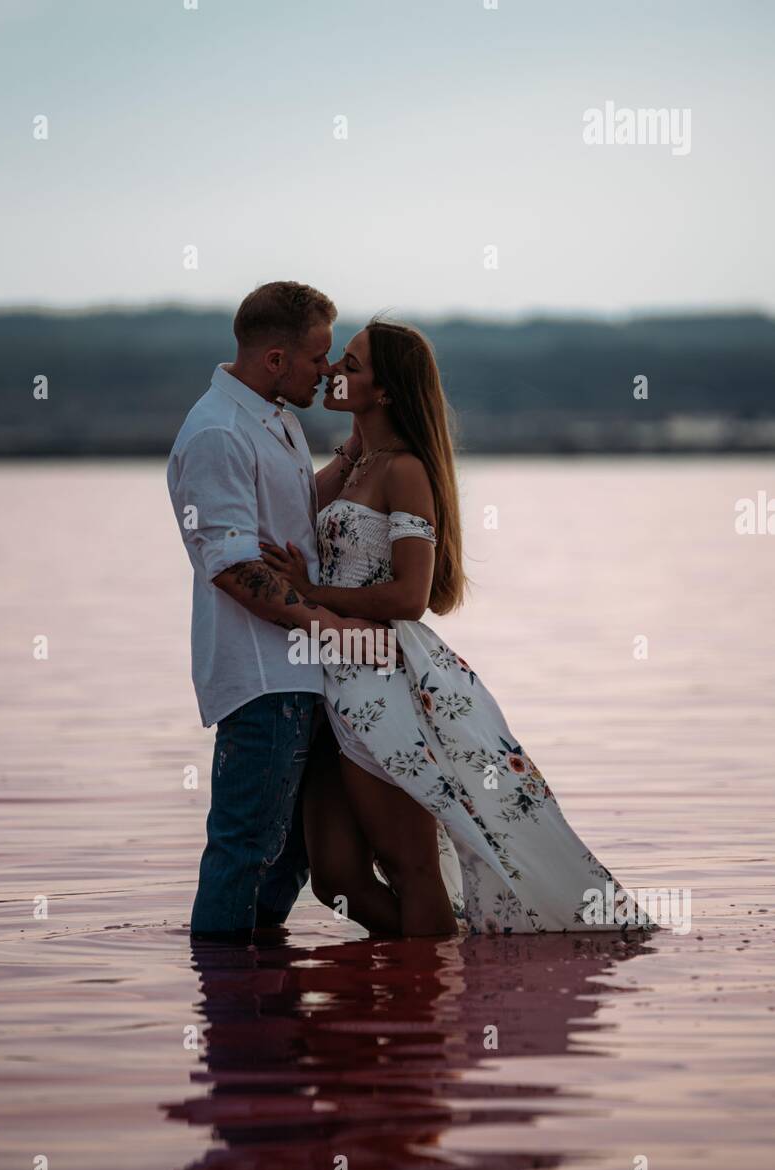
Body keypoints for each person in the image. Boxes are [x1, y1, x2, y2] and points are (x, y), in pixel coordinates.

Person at [259, 318, 657, 938]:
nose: (336, 369)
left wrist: (308, 591)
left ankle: (432, 1018)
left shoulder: (406, 472)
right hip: (326, 677)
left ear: (386, 390)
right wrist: (350, 443)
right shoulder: (358, 464)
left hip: (379, 680)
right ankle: (432, 982)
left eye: (353, 364)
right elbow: (292, 512)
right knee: (336, 879)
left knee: (410, 865)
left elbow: (411, 597)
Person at [166, 282, 385, 941]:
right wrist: (333, 628)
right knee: (245, 852)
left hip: (299, 672)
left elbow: (291, 513)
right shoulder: (217, 434)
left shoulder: (272, 417)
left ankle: (266, 1006)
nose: (327, 372)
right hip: (262, 678)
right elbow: (233, 567)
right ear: (274, 359)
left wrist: (352, 450)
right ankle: (230, 1012)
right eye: (318, 357)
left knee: (288, 857)